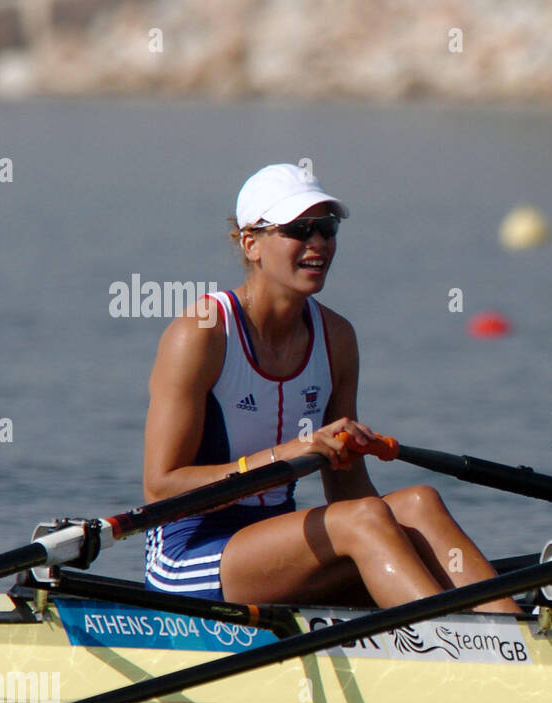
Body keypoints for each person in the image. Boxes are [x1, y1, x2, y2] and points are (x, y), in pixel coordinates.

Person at [142, 163, 518, 613]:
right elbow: (161, 487)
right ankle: (461, 649)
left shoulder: (336, 337)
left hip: (283, 543)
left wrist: (395, 536)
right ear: (251, 243)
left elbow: (348, 493)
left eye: (327, 227)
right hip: (191, 554)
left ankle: (515, 642)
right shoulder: (201, 333)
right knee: (362, 521)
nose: (318, 242)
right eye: (300, 229)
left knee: (419, 503)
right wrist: (294, 451)